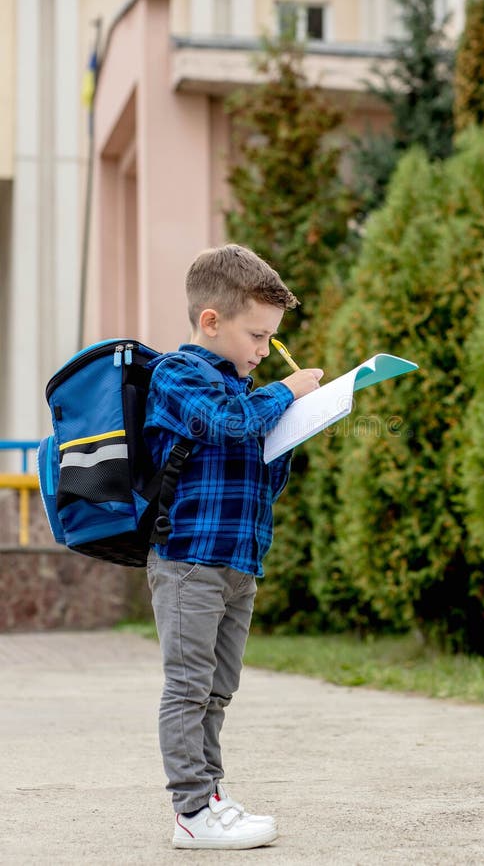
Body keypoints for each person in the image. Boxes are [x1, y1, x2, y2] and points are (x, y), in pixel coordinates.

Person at [143, 243, 323, 850]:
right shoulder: (177, 375)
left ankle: (211, 795)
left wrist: (296, 425)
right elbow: (228, 424)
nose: (265, 351)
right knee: (188, 685)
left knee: (218, 688)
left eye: (272, 338)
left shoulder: (245, 393)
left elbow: (263, 472)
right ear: (211, 322)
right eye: (257, 335)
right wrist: (288, 393)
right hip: (190, 559)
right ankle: (190, 811)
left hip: (239, 561)